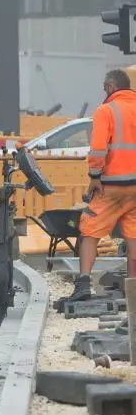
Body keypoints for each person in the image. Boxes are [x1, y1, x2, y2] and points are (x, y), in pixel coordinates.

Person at [72, 68, 136, 299]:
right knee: (134, 237)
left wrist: (94, 177)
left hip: (111, 186)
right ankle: (133, 291)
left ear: (110, 87)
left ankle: (83, 286)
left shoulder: (106, 110)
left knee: (90, 231)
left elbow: (98, 148)